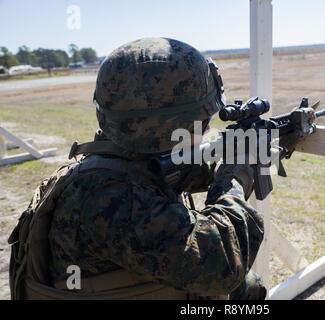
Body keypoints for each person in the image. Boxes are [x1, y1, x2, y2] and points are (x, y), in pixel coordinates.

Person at [8, 38, 266, 300]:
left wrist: (227, 155)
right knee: (245, 289)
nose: (206, 130)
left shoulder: (114, 163)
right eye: (202, 123)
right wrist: (234, 178)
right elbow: (221, 267)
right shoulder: (112, 195)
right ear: (173, 128)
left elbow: (173, 173)